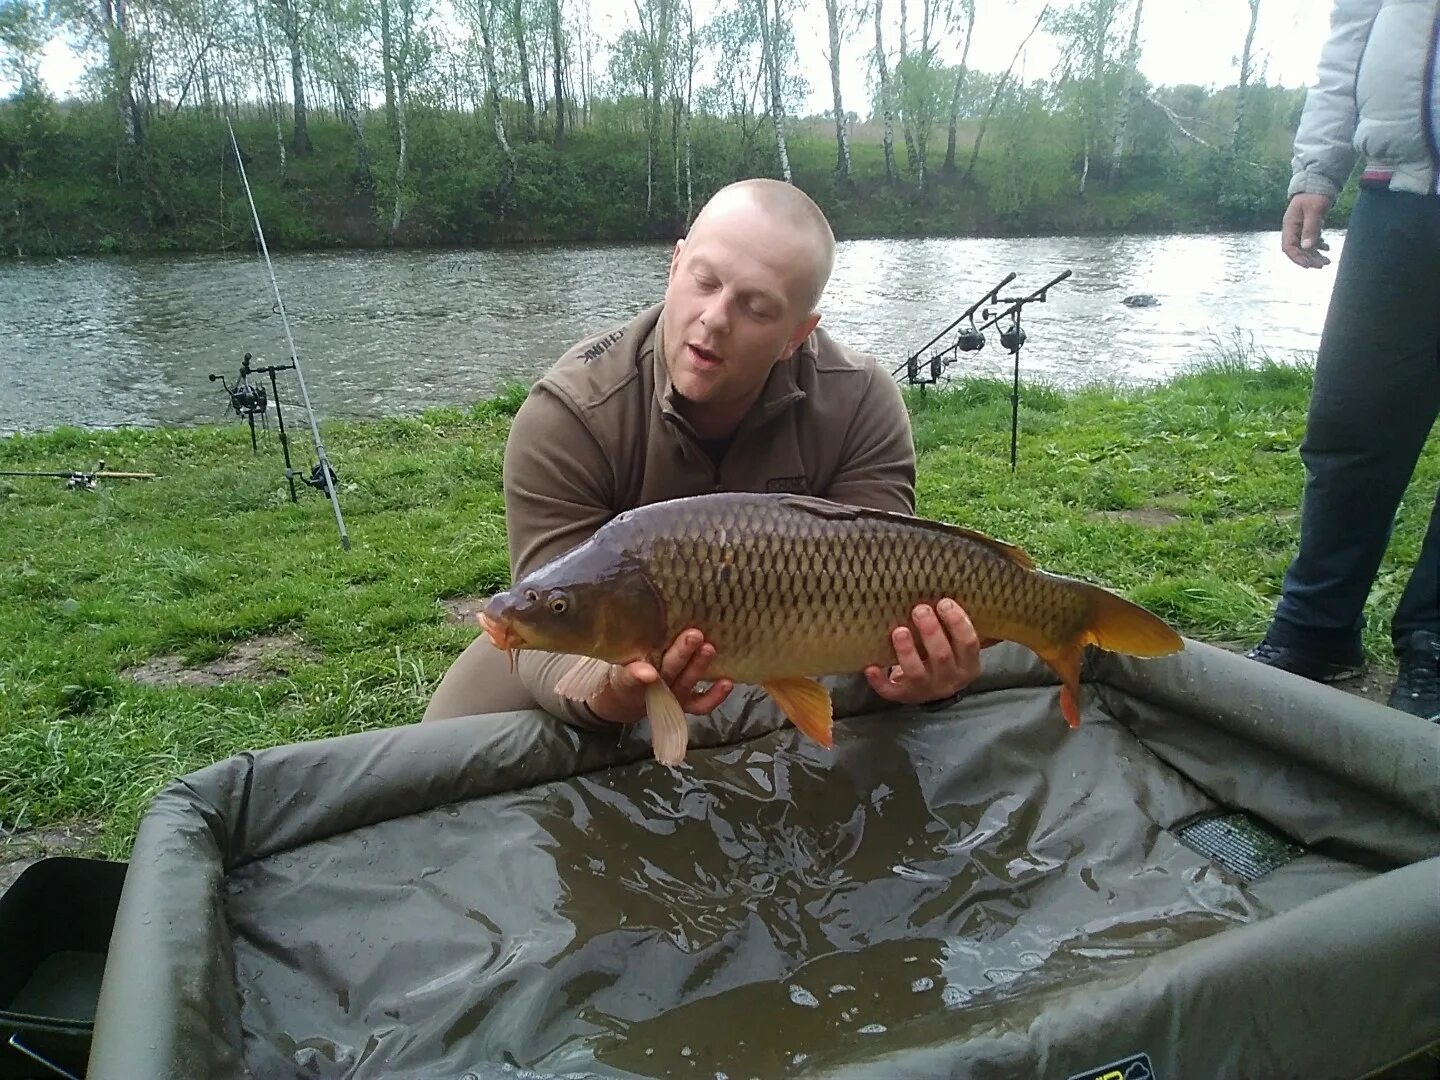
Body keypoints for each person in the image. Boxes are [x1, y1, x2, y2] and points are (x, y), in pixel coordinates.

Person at [424, 177, 985, 736]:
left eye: (757, 307)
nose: (715, 318)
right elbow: (550, 624)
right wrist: (615, 693)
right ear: (674, 266)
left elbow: (892, 586)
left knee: (901, 705)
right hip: (615, 641)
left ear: (797, 334)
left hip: (804, 635)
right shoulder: (570, 413)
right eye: (704, 281)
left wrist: (923, 673)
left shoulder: (860, 398)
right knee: (444, 739)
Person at [1245, 0, 1439, 722]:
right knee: (1350, 422)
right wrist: (1318, 167)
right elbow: (1347, 42)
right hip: (1397, 190)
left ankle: (1434, 640)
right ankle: (1316, 626)